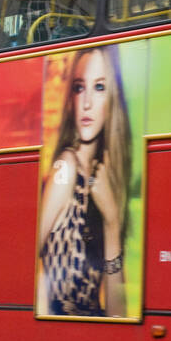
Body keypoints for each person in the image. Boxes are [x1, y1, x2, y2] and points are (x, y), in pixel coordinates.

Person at [38, 46, 131, 317]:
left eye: (99, 87)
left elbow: (118, 313)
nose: (87, 102)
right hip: (63, 331)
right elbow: (19, 260)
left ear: (113, 98)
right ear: (71, 98)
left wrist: (112, 223)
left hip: (92, 331)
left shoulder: (104, 178)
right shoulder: (67, 169)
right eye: (80, 88)